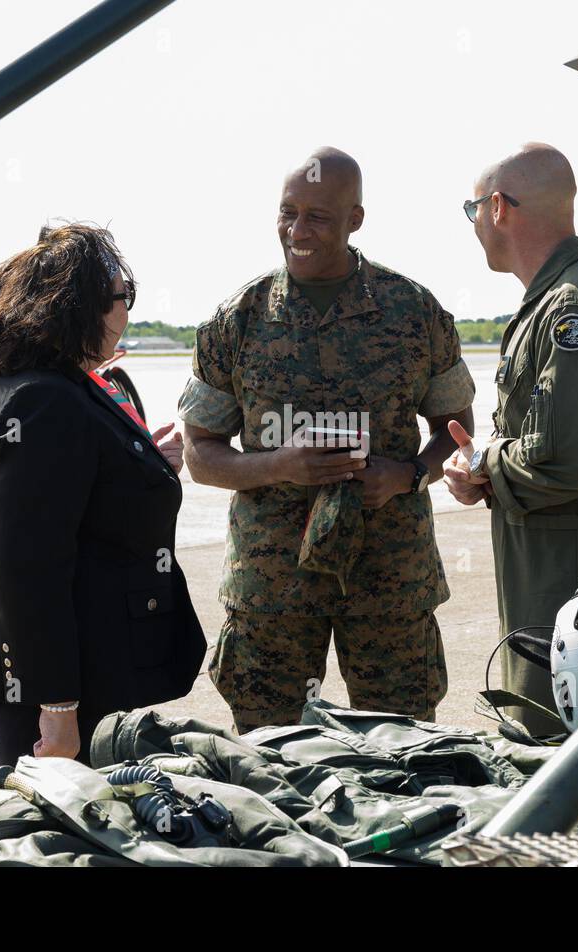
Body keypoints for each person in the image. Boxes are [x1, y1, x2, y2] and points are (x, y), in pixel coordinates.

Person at [178, 147, 476, 733]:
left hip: (390, 573)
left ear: (355, 220)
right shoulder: (237, 319)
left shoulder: (413, 312)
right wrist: (280, 466)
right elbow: (200, 456)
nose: (297, 230)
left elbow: (456, 432)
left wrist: (409, 474)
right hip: (273, 583)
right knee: (270, 752)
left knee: (404, 746)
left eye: (317, 216)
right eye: (287, 212)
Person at [0, 222, 205, 766]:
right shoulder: (47, 402)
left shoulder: (22, 382)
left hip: (58, 655)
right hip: (53, 672)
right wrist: (57, 708)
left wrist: (145, 464)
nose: (126, 312)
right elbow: (31, 567)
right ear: (79, 308)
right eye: (121, 298)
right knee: (57, 831)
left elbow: (84, 492)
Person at [443, 143, 578, 734]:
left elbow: (572, 459)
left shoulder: (576, 306)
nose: (474, 226)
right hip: (558, 586)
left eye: (472, 212)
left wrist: (485, 461)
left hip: (577, 595)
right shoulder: (555, 301)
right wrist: (483, 472)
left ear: (497, 208)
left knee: (572, 773)